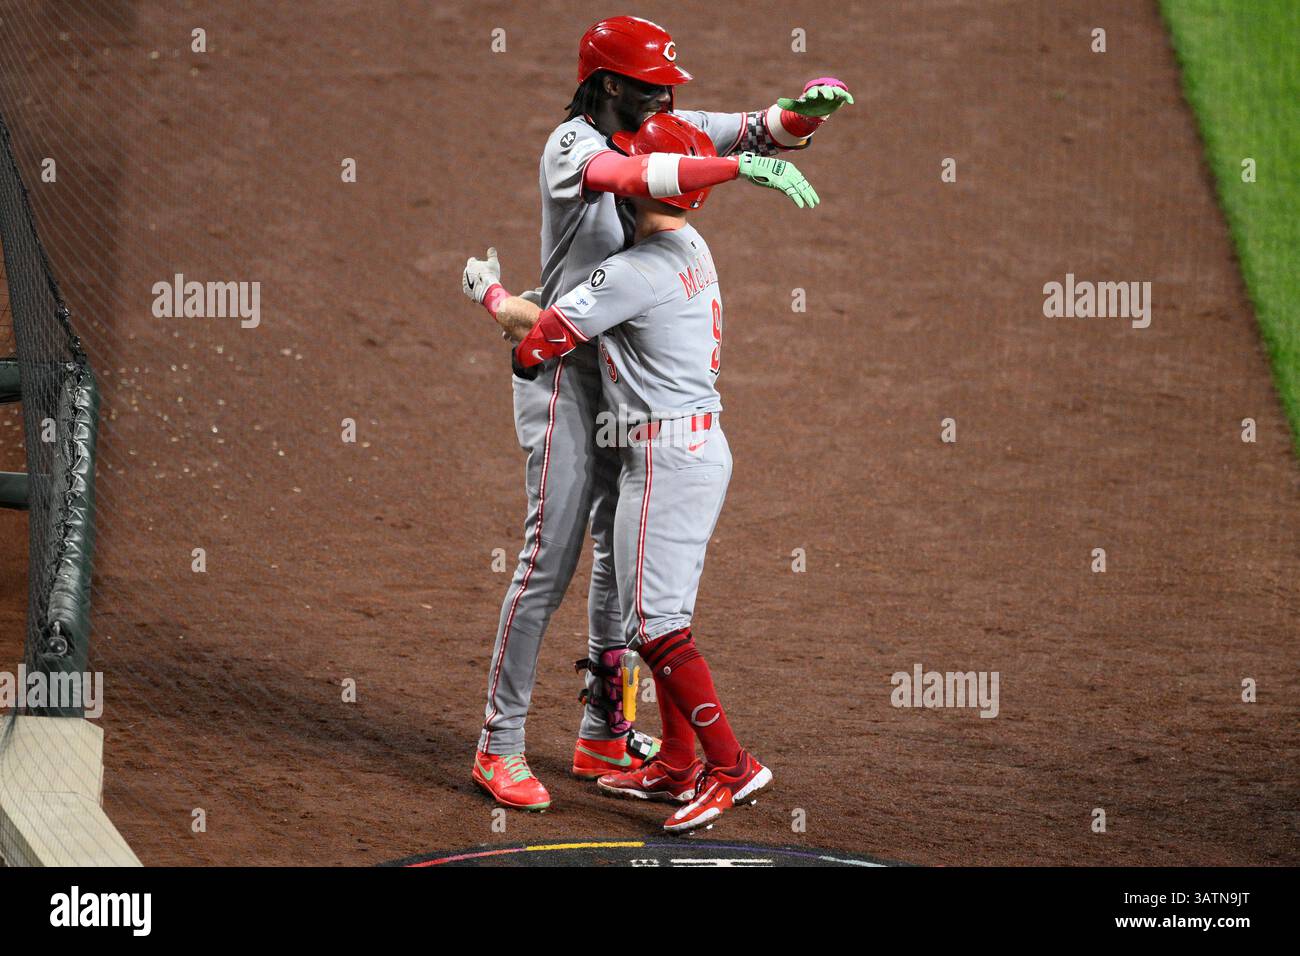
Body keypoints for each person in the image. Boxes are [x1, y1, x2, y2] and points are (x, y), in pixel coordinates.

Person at [461, 15, 851, 812]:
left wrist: (802, 117)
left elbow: (751, 128)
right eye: (651, 86)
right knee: (550, 559)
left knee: (616, 556)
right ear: (609, 85)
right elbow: (631, 179)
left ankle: (607, 724)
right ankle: (498, 744)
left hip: (621, 369)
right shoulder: (573, 146)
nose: (667, 99)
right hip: (566, 372)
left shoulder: (654, 124)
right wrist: (738, 169)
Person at [473, 113, 782, 833]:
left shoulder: (631, 272)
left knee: (659, 627)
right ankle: (676, 762)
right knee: (660, 617)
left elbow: (539, 341)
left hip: (666, 459)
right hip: (694, 449)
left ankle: (731, 766)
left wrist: (487, 293)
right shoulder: (691, 245)